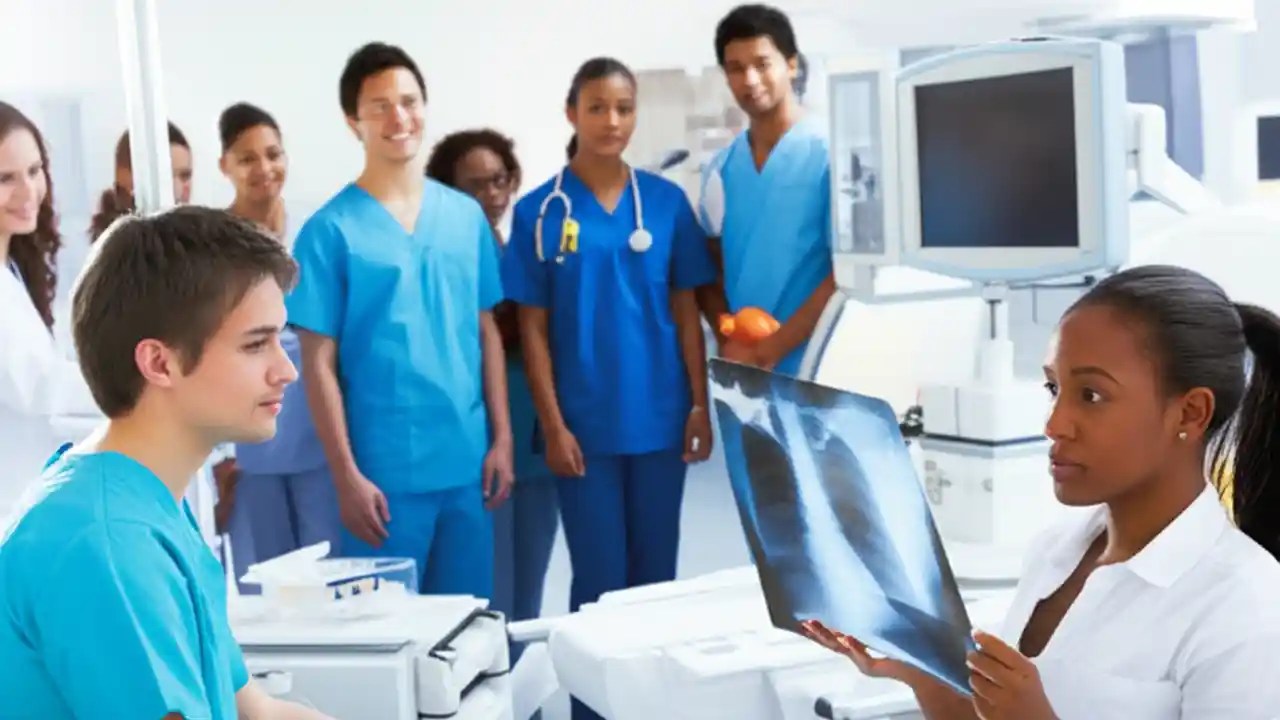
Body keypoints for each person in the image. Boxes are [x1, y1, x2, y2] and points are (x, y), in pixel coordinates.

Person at [805, 265, 1280, 718]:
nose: (1053, 425)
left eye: (1091, 395)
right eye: (1054, 389)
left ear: (1190, 413)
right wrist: (918, 668)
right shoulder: (1056, 551)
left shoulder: (1246, 606)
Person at [0, 206, 331, 720]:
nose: (286, 369)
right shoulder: (106, 542)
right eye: (256, 344)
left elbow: (254, 709)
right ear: (160, 363)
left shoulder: (145, 501)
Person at [501, 57, 715, 718]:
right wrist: (554, 425)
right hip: (583, 430)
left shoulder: (666, 203)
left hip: (658, 417)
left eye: (623, 107)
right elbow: (532, 333)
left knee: (656, 585)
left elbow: (687, 312)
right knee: (597, 585)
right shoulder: (542, 211)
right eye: (597, 107)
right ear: (573, 114)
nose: (612, 120)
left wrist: (700, 402)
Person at [287, 42, 513, 599]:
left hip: (466, 465)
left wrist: (503, 438)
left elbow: (486, 332)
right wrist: (345, 475)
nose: (399, 118)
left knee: (468, 635)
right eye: (380, 106)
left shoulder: (463, 217)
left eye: (409, 101)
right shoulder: (329, 231)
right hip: (382, 477)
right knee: (389, 645)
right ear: (352, 121)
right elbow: (318, 364)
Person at [427, 130, 560, 639]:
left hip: (535, 430)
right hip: (481, 440)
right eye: (475, 185)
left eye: (500, 181)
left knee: (530, 583)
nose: (492, 196)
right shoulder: (443, 252)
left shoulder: (518, 243)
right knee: (488, 588)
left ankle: (519, 691)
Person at [216, 102, 340, 588]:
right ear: (224, 165)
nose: (264, 169)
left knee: (326, 577)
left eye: (273, 154)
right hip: (247, 438)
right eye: (247, 158)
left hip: (313, 424)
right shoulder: (213, 243)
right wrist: (218, 448)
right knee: (262, 580)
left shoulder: (314, 229)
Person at [696, 4, 836, 377]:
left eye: (762, 63)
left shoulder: (830, 156)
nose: (750, 79)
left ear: (791, 65)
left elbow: (844, 276)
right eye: (736, 69)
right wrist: (731, 338)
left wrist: (769, 350)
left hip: (815, 367)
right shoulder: (721, 170)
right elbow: (707, 268)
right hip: (745, 371)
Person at [0, 101, 99, 510]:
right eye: (5, 178)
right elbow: (37, 386)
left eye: (34, 171)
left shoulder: (14, 270)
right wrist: (137, 386)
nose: (28, 193)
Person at [89, 121, 193, 241]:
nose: (178, 188)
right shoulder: (120, 248)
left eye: (185, 176)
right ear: (130, 180)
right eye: (167, 176)